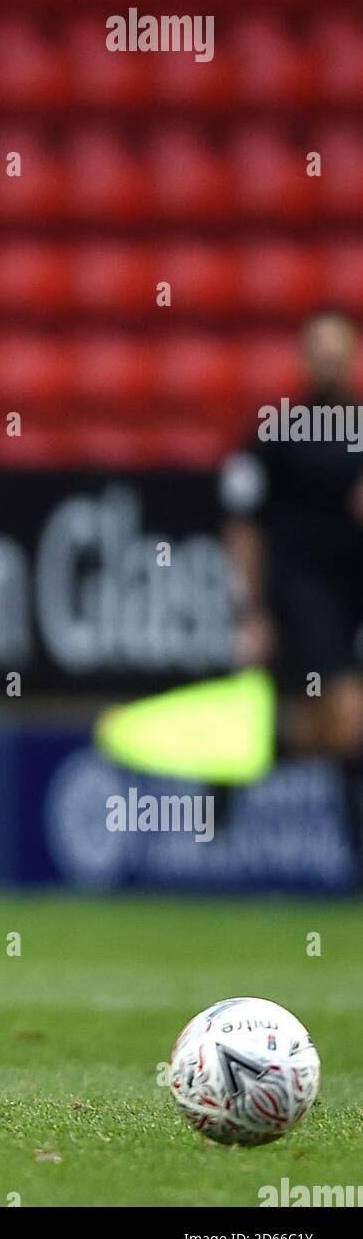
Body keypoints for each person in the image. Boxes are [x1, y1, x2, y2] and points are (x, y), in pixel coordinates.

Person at [220, 310, 363, 865]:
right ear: (305, 358)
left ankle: (253, 753)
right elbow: (240, 519)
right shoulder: (279, 433)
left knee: (338, 725)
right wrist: (251, 608)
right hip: (306, 592)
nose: (328, 360)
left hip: (355, 592)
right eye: (318, 350)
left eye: (338, 349)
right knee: (349, 715)